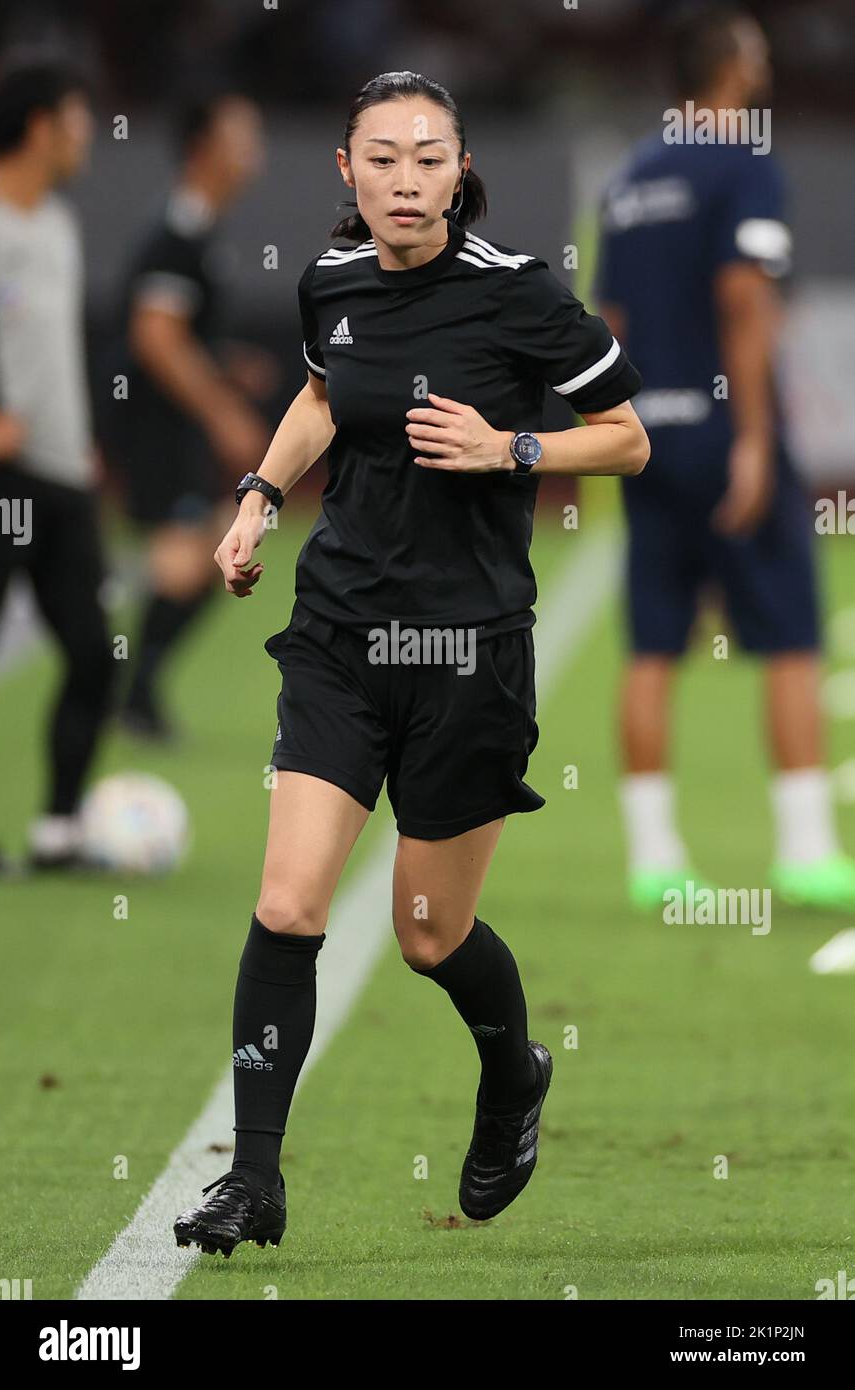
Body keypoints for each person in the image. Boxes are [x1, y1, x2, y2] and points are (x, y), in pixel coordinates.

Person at [173, 70, 648, 1259]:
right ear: (346, 170)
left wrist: (512, 446)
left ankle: (512, 1072)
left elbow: (629, 438)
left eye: (426, 157)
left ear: (459, 168)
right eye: (380, 157)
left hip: (468, 656)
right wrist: (255, 498)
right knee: (287, 906)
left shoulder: (520, 295)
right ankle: (256, 1184)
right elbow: (327, 394)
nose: (403, 179)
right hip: (338, 639)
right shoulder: (328, 282)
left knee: (429, 931)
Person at [595, 4, 855, 913]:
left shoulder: (631, 177)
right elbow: (743, 297)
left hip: (645, 433)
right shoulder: (745, 166)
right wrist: (752, 437)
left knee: (653, 643)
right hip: (723, 430)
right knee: (790, 637)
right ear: (732, 66)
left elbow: (612, 324)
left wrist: (619, 429)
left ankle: (653, 857)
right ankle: (807, 851)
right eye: (757, 49)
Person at [109, 91, 271, 740]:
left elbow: (174, 332)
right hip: (157, 425)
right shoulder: (176, 235)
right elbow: (154, 337)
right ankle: (130, 693)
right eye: (243, 135)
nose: (254, 149)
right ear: (205, 148)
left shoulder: (199, 232)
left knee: (210, 555)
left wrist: (222, 361)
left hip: (172, 423)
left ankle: (136, 693)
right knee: (194, 560)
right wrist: (223, 410)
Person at [0, 51, 116, 870]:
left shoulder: (59, 226)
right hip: (2, 478)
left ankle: (59, 828)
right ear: (41, 127)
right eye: (76, 120)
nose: (88, 138)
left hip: (63, 476)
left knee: (93, 649)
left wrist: (80, 438)